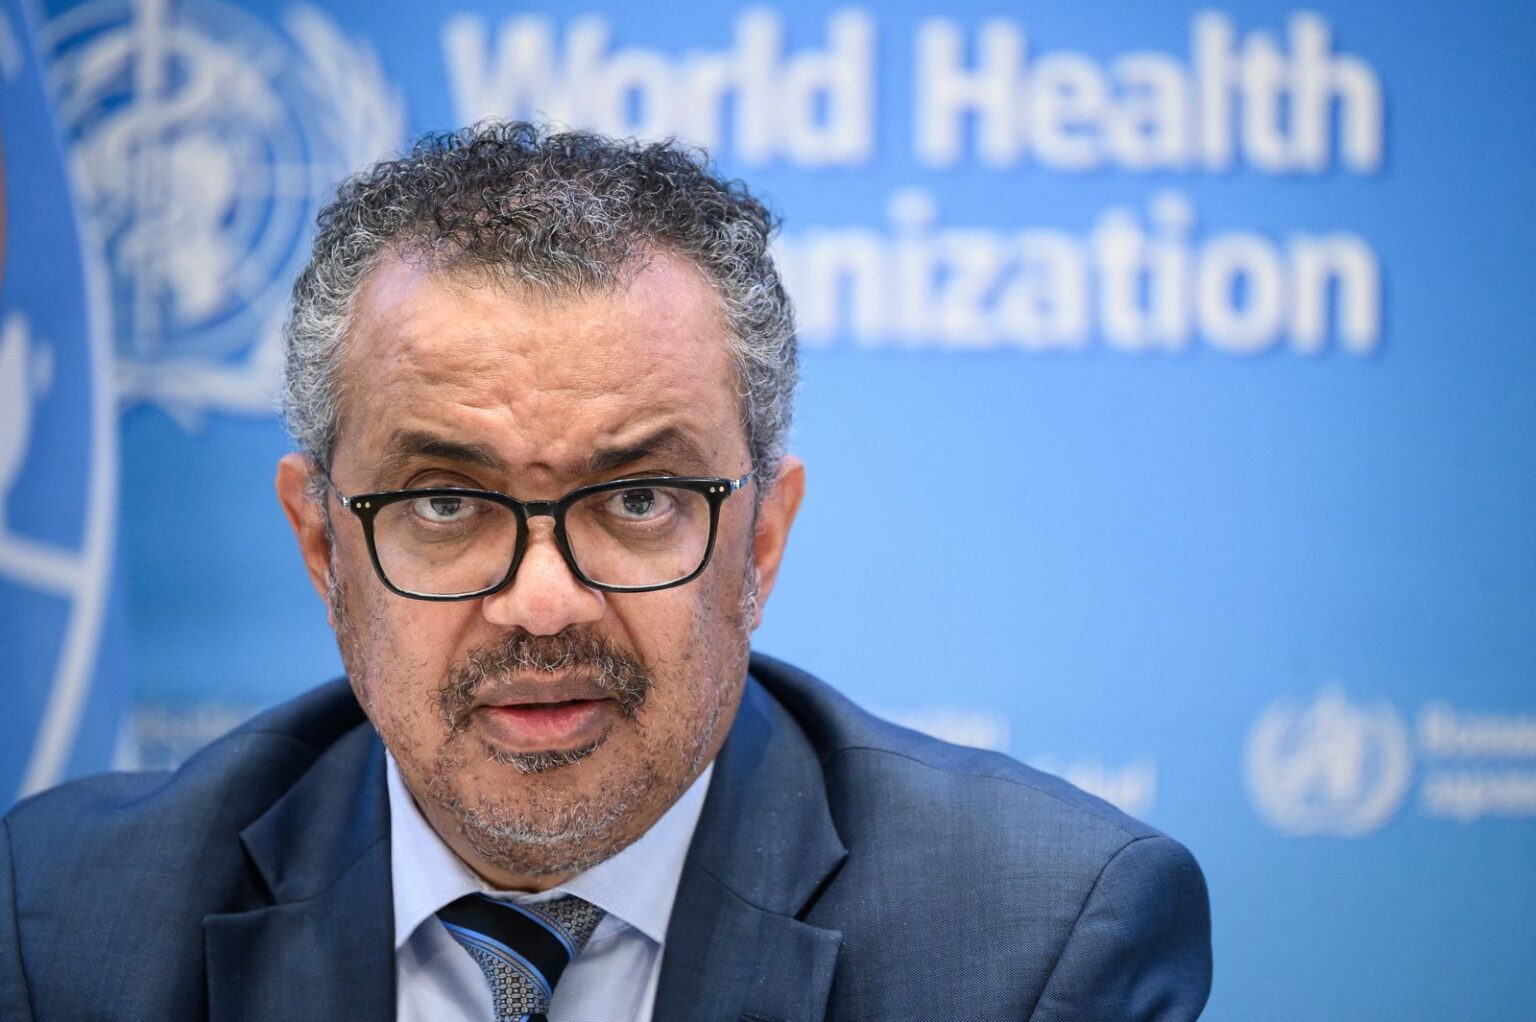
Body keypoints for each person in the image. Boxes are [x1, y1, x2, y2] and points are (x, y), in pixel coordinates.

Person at [0, 122, 1211, 1021]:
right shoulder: (66, 919)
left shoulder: (1035, 947)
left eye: (638, 498)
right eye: (445, 502)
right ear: (323, 546)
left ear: (763, 541)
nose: (542, 602)